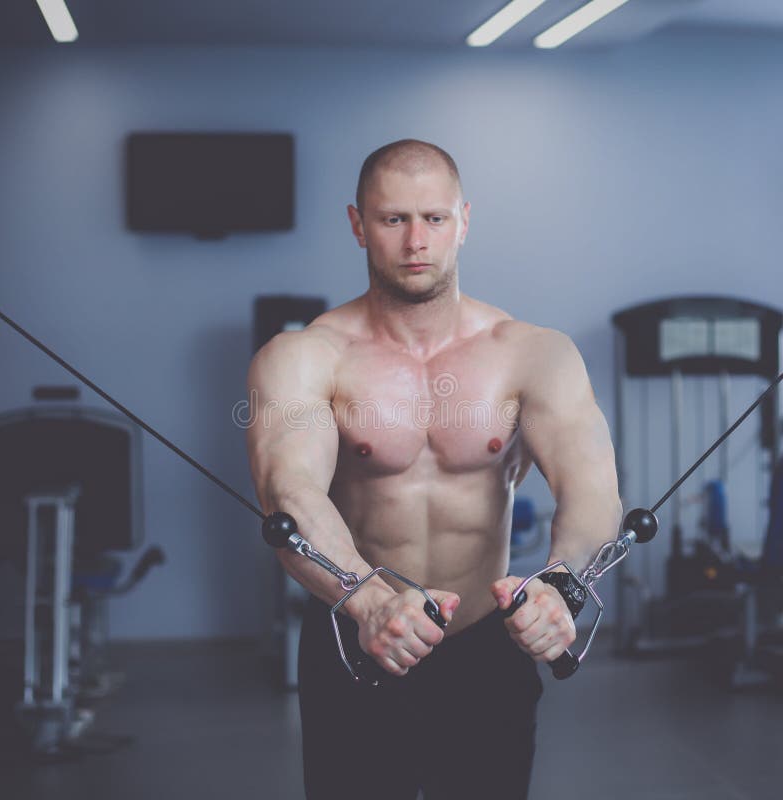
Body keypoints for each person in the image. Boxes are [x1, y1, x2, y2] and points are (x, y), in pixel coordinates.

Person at [246, 139, 622, 799]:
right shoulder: (306, 357)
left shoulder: (533, 354)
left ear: (464, 221)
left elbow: (592, 492)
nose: (416, 240)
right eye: (393, 220)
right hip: (355, 637)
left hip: (487, 644)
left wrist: (562, 582)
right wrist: (369, 604)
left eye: (434, 219)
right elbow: (291, 491)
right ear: (358, 225)